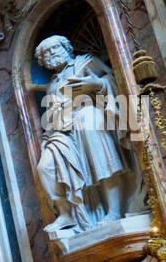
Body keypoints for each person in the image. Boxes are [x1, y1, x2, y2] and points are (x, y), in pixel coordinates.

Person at [33, 34, 145, 234]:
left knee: (100, 158)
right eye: (46, 54)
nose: (51, 55)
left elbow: (116, 80)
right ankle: (66, 214)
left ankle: (114, 210)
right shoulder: (51, 84)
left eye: (54, 49)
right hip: (64, 131)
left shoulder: (86, 63)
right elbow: (50, 116)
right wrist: (47, 136)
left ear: (67, 49)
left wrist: (98, 85)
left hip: (90, 118)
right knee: (45, 167)